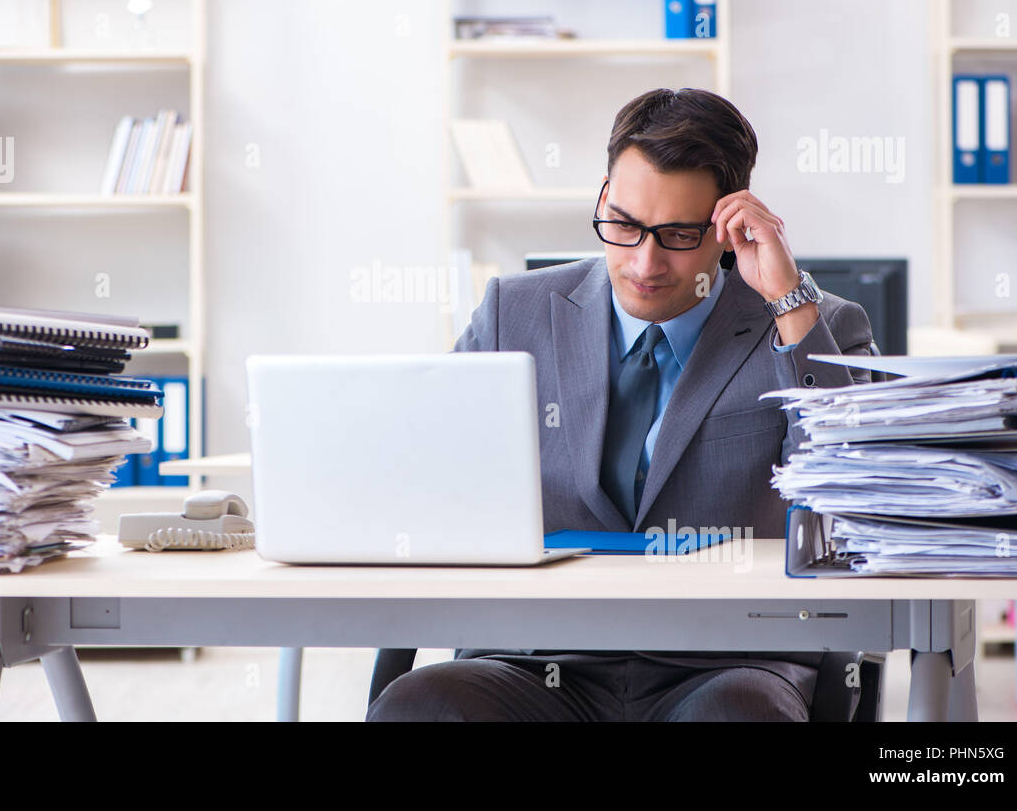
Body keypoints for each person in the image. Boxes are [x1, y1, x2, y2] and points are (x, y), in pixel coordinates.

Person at [367, 87, 877, 721]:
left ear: (727, 228)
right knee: (422, 705)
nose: (644, 262)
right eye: (626, 225)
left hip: (723, 662)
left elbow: (860, 493)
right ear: (604, 196)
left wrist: (789, 302)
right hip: (536, 660)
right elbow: (423, 472)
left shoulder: (814, 324)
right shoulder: (514, 313)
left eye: (678, 235)